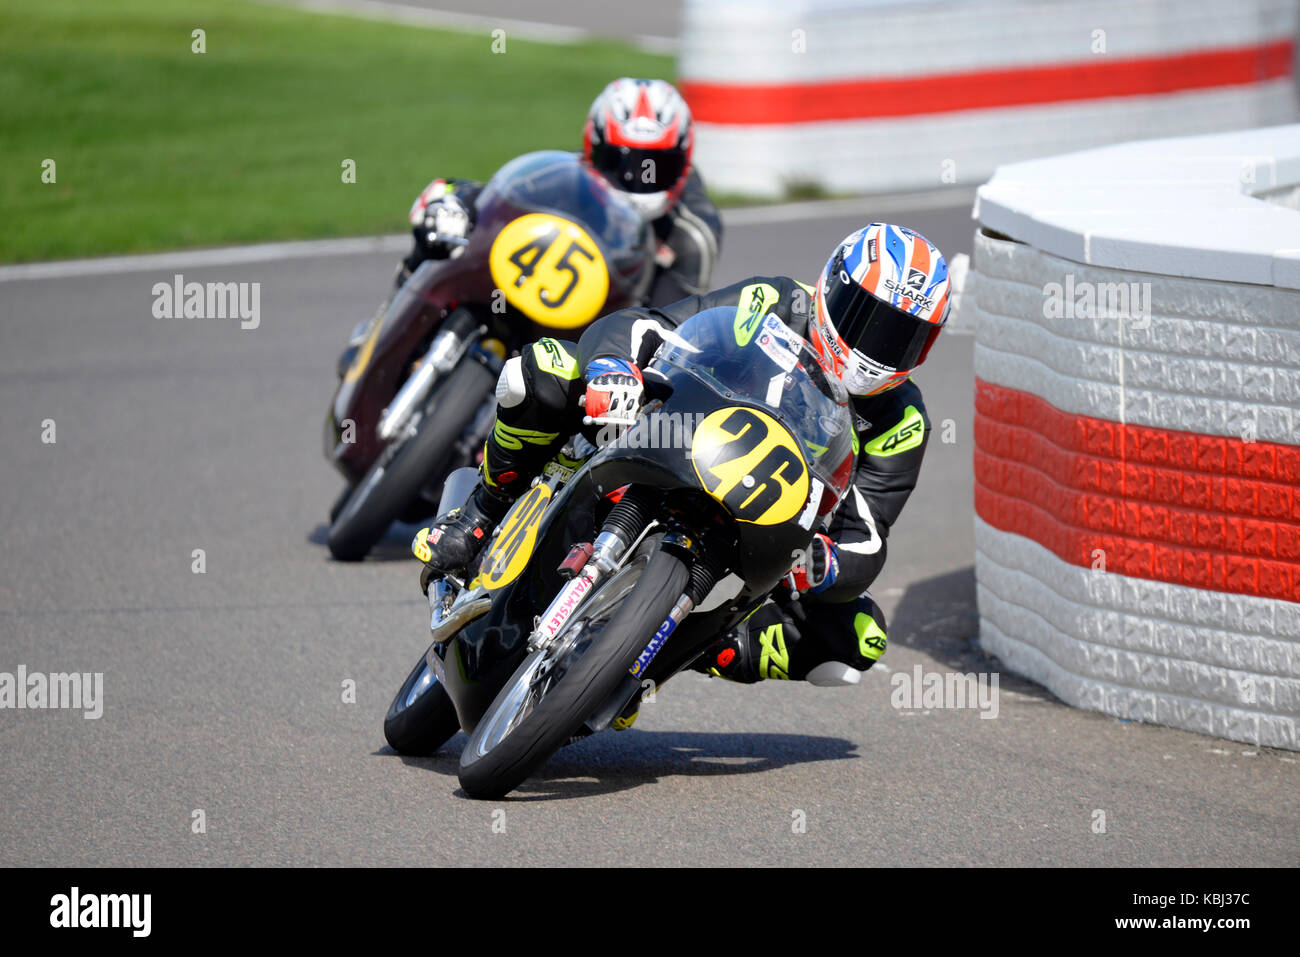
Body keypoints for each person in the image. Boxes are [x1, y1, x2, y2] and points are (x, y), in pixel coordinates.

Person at [418, 223, 951, 692]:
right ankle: (479, 514)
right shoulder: (776, 300)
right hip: (674, 436)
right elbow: (654, 324)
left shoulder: (901, 422)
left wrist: (828, 564)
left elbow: (869, 532)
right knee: (541, 370)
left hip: (764, 527)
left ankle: (677, 651)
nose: (878, 349)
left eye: (904, 338)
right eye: (871, 322)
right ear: (833, 287)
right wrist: (612, 367)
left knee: (860, 635)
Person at [399, 78, 721, 307]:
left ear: (684, 162)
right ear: (591, 150)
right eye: (619, 162)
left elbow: (669, 324)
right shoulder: (570, 174)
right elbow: (497, 202)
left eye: (654, 165)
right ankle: (383, 324)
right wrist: (457, 202)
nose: (637, 178)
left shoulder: (694, 234)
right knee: (440, 222)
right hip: (529, 286)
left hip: (601, 343)